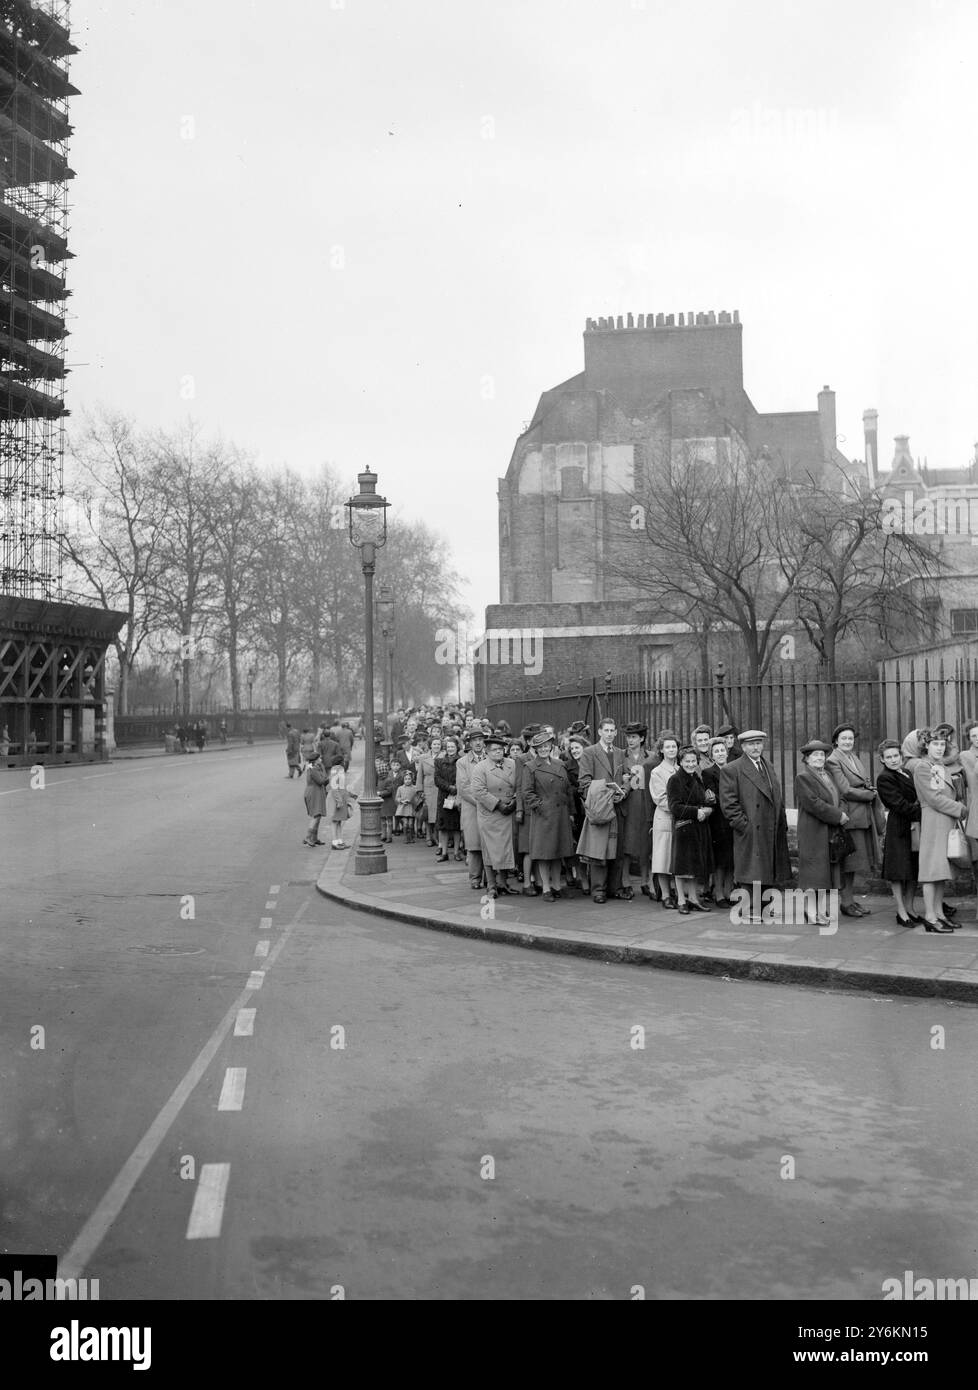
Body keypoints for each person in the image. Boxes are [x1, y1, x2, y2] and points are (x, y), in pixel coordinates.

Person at [718, 729, 791, 913]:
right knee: (751, 868)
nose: (755, 747)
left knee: (767, 867)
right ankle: (750, 907)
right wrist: (743, 825)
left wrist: (780, 822)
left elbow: (777, 797)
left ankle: (764, 904)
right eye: (751, 744)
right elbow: (729, 803)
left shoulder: (768, 766)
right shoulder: (732, 769)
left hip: (769, 826)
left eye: (758, 743)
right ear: (742, 747)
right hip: (750, 827)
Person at [826, 723, 884, 916]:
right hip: (849, 816)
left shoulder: (852, 757)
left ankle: (850, 899)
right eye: (844, 738)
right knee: (848, 862)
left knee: (855, 862)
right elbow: (845, 789)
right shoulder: (833, 760)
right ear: (836, 741)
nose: (848, 742)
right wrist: (869, 795)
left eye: (851, 738)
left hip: (861, 815)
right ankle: (846, 902)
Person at [912, 729, 967, 932]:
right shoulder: (923, 767)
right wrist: (960, 809)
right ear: (926, 746)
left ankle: (939, 914)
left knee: (941, 871)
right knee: (931, 871)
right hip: (934, 821)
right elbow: (933, 798)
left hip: (945, 821)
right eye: (935, 744)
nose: (940, 748)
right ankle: (929, 916)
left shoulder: (941, 766)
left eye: (942, 744)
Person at [793, 738, 848, 926]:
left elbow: (839, 797)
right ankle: (810, 912)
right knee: (813, 874)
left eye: (822, 754)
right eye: (814, 755)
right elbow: (813, 804)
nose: (819, 758)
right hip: (813, 832)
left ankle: (820, 911)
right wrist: (837, 815)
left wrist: (841, 811)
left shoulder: (827, 775)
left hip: (828, 830)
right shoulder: (803, 778)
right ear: (806, 759)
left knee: (825, 874)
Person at [521, 729, 575, 901]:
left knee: (558, 851)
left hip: (561, 814)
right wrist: (541, 807)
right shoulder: (530, 767)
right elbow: (527, 793)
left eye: (546, 745)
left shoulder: (560, 764)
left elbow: (568, 790)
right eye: (540, 747)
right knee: (545, 853)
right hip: (544, 816)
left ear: (551, 745)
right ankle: (546, 888)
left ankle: (557, 886)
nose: (544, 749)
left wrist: (571, 812)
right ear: (535, 749)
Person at [577, 718, 628, 901]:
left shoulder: (621, 753)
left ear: (615, 733)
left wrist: (623, 791)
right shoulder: (590, 752)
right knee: (599, 850)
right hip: (600, 808)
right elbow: (584, 782)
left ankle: (614, 888)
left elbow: (627, 777)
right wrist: (606, 792)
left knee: (617, 848)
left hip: (618, 806)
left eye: (612, 731)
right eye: (606, 730)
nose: (609, 734)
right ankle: (598, 890)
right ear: (599, 732)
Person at [876, 739, 923, 926]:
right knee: (898, 871)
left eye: (896, 756)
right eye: (889, 757)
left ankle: (910, 908)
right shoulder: (885, 778)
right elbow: (898, 804)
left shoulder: (907, 772)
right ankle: (901, 911)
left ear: (901, 756)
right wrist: (923, 810)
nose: (893, 760)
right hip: (899, 826)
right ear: (882, 759)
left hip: (914, 825)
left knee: (913, 869)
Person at [666, 745, 714, 913]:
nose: (691, 764)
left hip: (698, 828)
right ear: (680, 762)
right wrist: (697, 812)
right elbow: (674, 807)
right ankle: (681, 900)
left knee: (693, 867)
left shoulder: (697, 778)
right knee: (682, 867)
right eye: (687, 761)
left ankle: (693, 899)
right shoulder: (675, 780)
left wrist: (708, 808)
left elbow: (704, 799)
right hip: (684, 828)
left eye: (694, 761)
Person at [471, 734, 519, 896]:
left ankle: (503, 883)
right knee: (490, 850)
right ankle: (491, 885)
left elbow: (520, 784)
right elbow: (478, 791)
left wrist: (514, 801)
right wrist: (498, 804)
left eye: (500, 749)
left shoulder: (512, 764)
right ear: (487, 752)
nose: (498, 752)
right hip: (490, 813)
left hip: (509, 811)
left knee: (506, 848)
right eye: (494, 750)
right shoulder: (480, 767)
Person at [620, 721, 655, 899]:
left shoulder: (651, 756)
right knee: (627, 844)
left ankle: (645, 881)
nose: (630, 740)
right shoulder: (621, 756)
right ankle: (625, 881)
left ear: (642, 738)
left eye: (634, 737)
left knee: (645, 845)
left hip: (645, 805)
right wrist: (622, 779)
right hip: (627, 805)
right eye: (628, 737)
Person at [701, 737, 735, 906]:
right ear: (711, 755)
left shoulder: (734, 769)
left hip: (734, 820)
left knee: (732, 859)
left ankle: (729, 892)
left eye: (722, 750)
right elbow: (713, 796)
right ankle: (719, 894)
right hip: (718, 821)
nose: (720, 754)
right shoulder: (708, 773)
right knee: (720, 860)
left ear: (727, 752)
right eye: (716, 751)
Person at [650, 731, 680, 907]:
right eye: (667, 747)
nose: (671, 750)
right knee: (663, 858)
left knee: (677, 857)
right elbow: (660, 798)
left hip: (680, 818)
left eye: (674, 746)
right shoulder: (657, 772)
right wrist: (681, 808)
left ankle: (677, 892)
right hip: (665, 818)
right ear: (661, 750)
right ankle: (666, 895)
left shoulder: (681, 768)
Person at [457, 730, 487, 889]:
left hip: (489, 808)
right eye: (475, 740)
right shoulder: (462, 762)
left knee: (489, 844)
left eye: (481, 739)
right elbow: (463, 788)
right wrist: (483, 802)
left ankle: (490, 879)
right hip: (473, 808)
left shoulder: (490, 758)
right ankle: (475, 878)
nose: (478, 743)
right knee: (474, 846)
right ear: (469, 743)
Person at [435, 735, 462, 861]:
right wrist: (449, 787)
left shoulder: (461, 761)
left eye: (453, 746)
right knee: (443, 826)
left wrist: (456, 787)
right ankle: (444, 853)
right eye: (448, 747)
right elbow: (437, 779)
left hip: (457, 796)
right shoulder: (439, 761)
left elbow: (464, 777)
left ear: (457, 748)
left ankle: (456, 852)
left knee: (457, 826)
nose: (450, 749)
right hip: (444, 796)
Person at [302, 749, 328, 847]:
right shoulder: (314, 769)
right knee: (316, 815)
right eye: (319, 758)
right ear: (316, 760)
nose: (321, 759)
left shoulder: (312, 767)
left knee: (318, 815)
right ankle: (309, 837)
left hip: (316, 792)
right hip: (314, 792)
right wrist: (324, 769)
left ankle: (314, 838)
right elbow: (322, 781)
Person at [419, 735, 442, 847]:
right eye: (434, 744)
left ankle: (437, 836)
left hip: (440, 788)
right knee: (428, 814)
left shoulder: (444, 756)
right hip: (428, 788)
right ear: (430, 746)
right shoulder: (423, 757)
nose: (436, 746)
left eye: (438, 744)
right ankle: (428, 836)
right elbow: (419, 776)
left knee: (439, 813)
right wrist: (420, 790)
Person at [394, 769, 420, 844]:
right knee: (405, 824)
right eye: (406, 779)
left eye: (409, 779)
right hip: (403, 808)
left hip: (412, 808)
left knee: (411, 823)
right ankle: (406, 838)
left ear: (412, 779)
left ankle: (411, 837)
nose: (407, 780)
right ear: (403, 780)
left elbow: (417, 797)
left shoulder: (415, 788)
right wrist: (401, 801)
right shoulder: (400, 788)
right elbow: (397, 797)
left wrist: (413, 801)